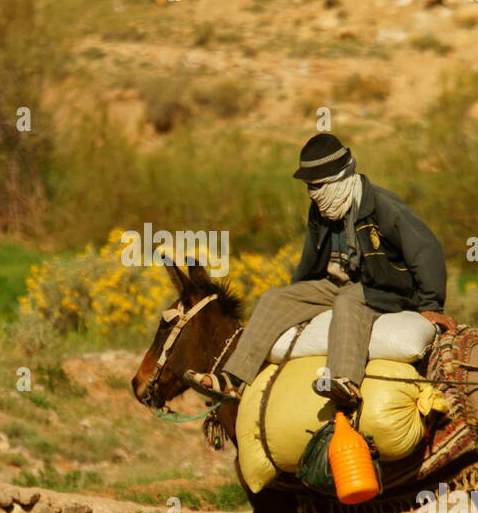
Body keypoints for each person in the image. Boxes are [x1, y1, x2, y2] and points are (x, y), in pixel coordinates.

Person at [188, 132, 447, 408]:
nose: (313, 192)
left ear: (341, 177)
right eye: (309, 186)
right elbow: (310, 260)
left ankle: (345, 381)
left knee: (348, 302)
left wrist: (430, 305)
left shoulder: (383, 206)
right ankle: (234, 379)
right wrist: (298, 300)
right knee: (276, 298)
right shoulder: (320, 209)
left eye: (319, 185)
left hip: (385, 287)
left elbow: (426, 249)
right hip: (337, 281)